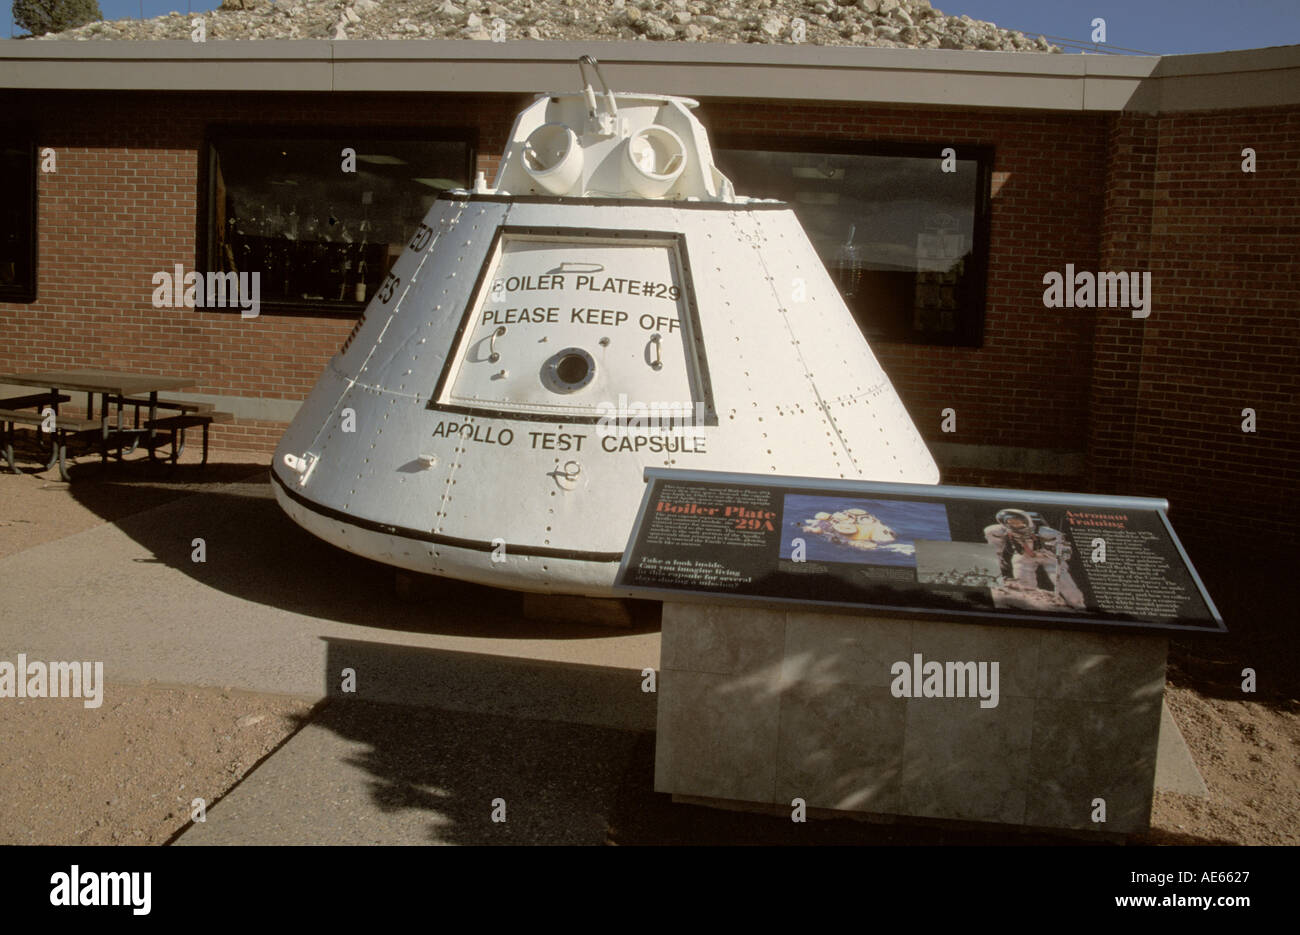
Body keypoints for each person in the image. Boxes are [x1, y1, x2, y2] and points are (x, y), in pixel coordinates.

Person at [983, 509, 1085, 609]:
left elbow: (1064, 547)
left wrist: (1062, 551)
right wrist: (997, 555)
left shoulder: (1046, 532)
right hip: (1024, 556)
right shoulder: (1001, 530)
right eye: (1011, 522)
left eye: (1018, 522)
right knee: (1024, 584)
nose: (1015, 525)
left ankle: (1078, 605)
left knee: (1064, 583)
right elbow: (992, 535)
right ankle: (1030, 605)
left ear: (1027, 522)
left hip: (1048, 556)